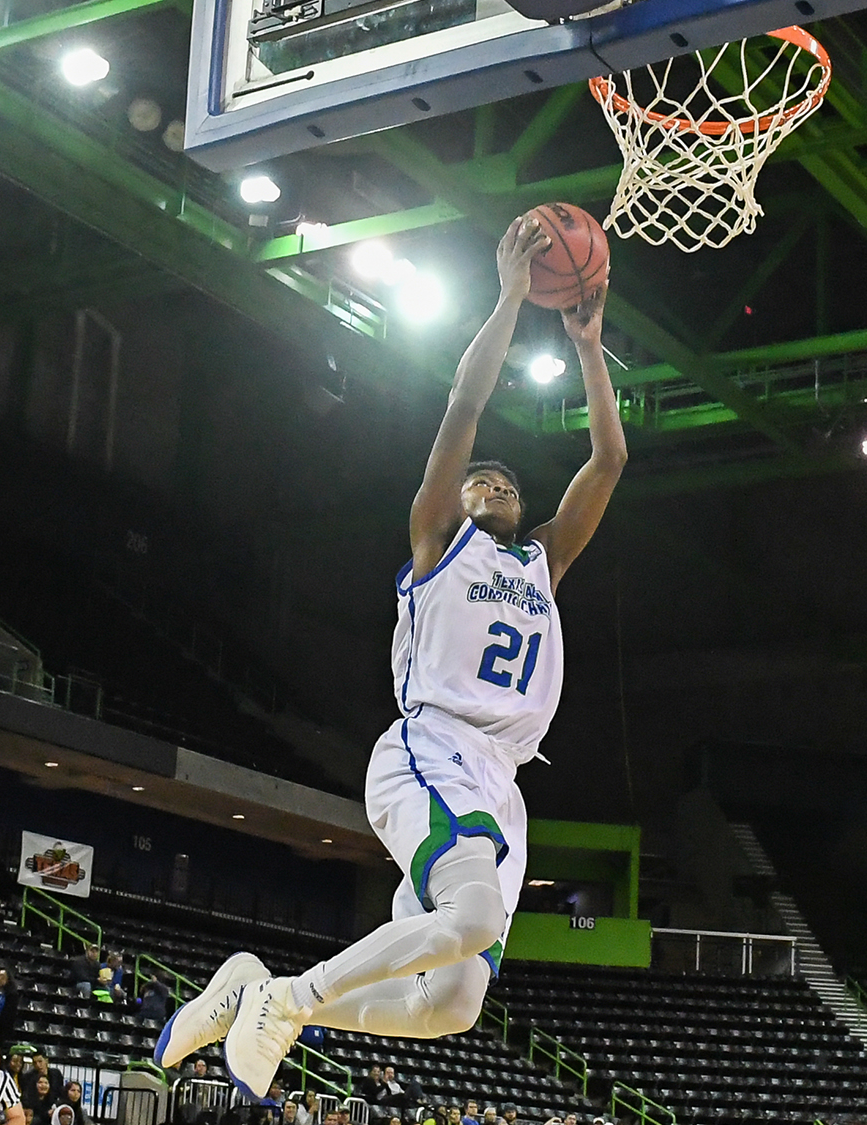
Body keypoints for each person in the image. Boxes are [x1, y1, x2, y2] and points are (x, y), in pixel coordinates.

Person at [167, 217, 624, 1098]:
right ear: (451, 498)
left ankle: (257, 993)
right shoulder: (436, 542)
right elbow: (463, 407)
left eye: (508, 485)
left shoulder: (543, 560)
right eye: (478, 482)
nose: (493, 486)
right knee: (474, 912)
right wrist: (509, 300)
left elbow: (608, 460)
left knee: (454, 1001)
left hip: (503, 780)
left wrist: (590, 347)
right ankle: (290, 1001)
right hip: (433, 749)